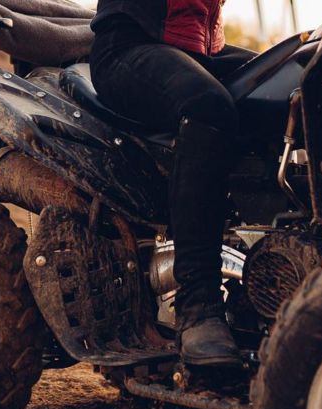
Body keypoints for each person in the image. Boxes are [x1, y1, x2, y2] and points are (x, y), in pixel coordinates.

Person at [89, 0, 255, 370]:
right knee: (208, 107)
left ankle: (266, 289)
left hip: (200, 52)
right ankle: (198, 306)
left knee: (302, 78)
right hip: (128, 47)